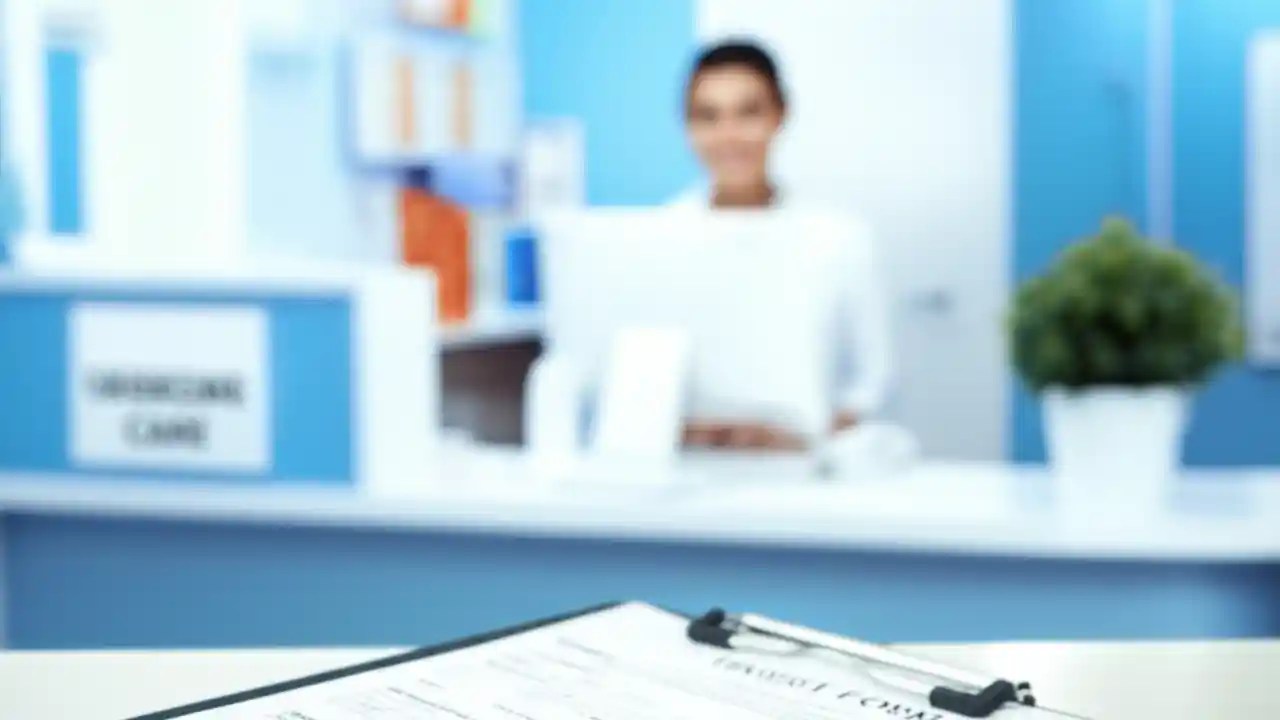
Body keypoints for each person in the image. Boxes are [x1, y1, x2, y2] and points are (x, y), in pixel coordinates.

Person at [673, 40, 893, 450]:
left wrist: (806, 439)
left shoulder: (838, 238)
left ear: (780, 115)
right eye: (708, 116)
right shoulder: (660, 237)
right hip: (690, 470)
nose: (729, 135)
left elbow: (872, 380)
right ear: (688, 127)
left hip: (806, 473)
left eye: (748, 113)